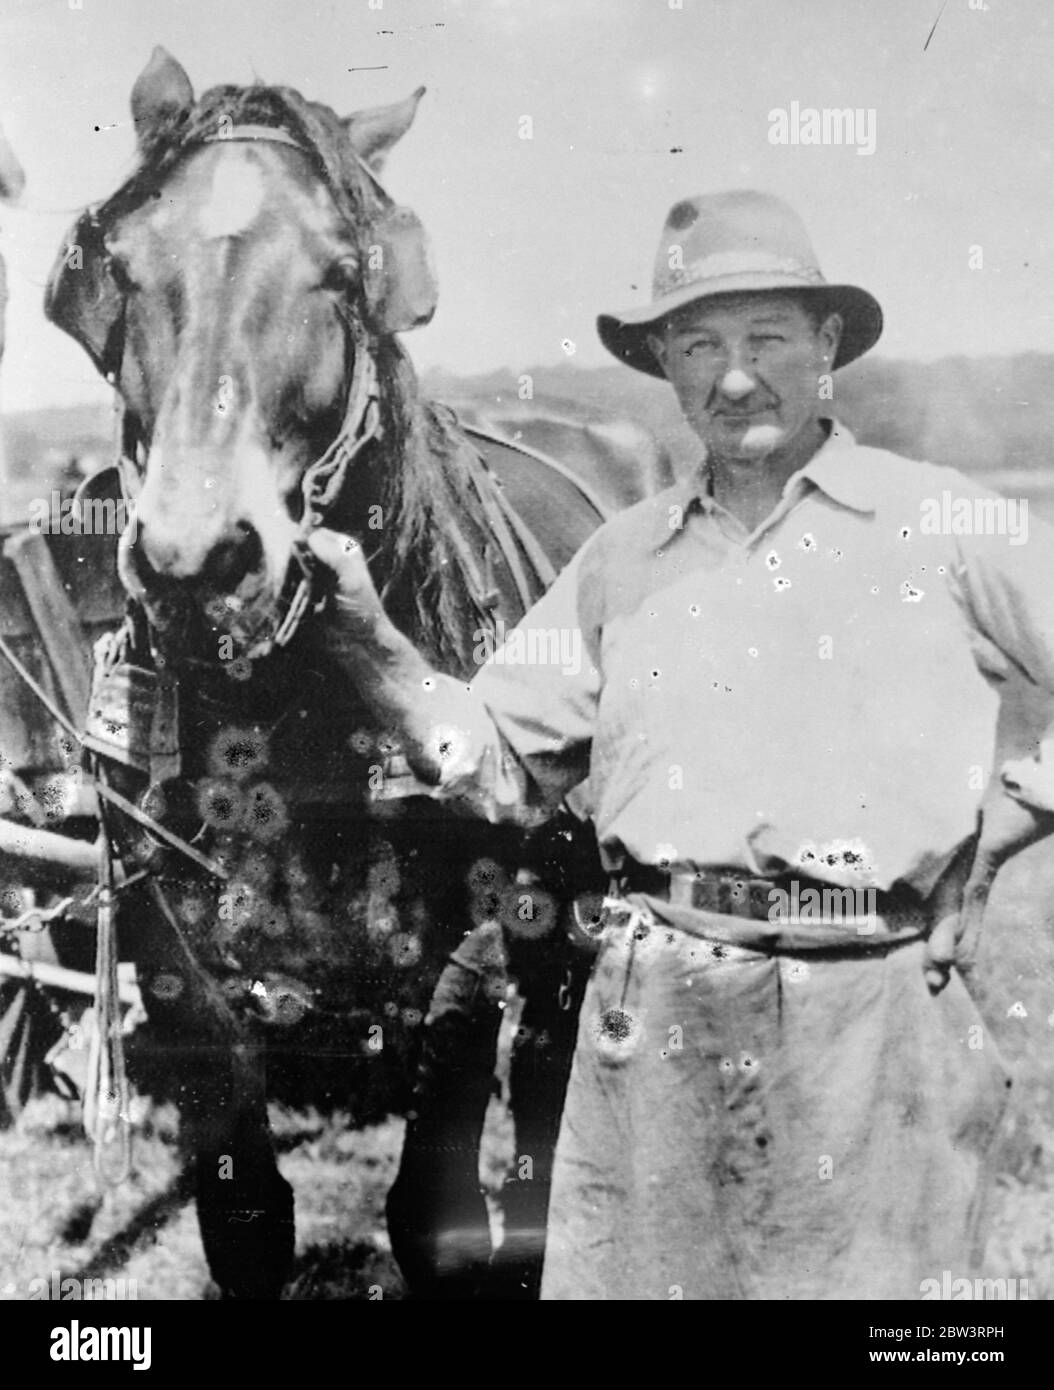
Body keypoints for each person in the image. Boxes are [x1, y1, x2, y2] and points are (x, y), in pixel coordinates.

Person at [308, 189, 1054, 1300]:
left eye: (766, 338)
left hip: (873, 1013)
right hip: (653, 1020)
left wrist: (1001, 832)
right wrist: (368, 638)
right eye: (699, 343)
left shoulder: (942, 516)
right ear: (662, 362)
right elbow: (490, 756)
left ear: (828, 345)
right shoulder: (620, 560)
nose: (734, 375)